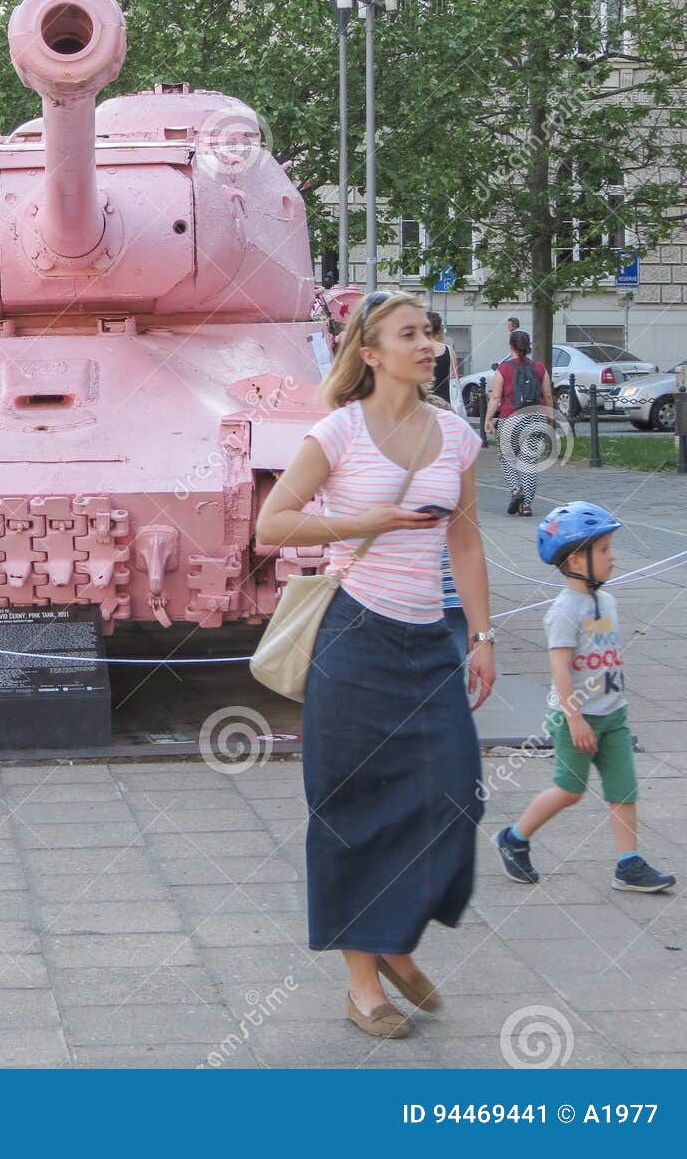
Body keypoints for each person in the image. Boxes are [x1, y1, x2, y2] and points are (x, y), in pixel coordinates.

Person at [256, 290, 495, 1040]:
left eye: (430, 332)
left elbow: (465, 540)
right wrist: (370, 521)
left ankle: (397, 938)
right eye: (409, 334)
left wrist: (482, 637)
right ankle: (364, 980)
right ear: (370, 354)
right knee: (354, 807)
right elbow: (272, 525)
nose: (427, 344)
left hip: (430, 641)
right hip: (354, 638)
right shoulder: (338, 432)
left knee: (456, 795)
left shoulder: (455, 436)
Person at [496, 503, 675, 894]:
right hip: (575, 718)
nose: (613, 557)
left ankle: (628, 863)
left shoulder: (606, 602)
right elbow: (560, 669)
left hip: (613, 715)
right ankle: (514, 837)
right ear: (577, 559)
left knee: (623, 789)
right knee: (569, 790)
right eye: (605, 550)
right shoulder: (564, 610)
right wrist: (575, 718)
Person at [483, 329, 553, 518]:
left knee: (507, 458)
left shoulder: (503, 369)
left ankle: (516, 490)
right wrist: (549, 417)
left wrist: (488, 419)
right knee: (530, 462)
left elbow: (496, 397)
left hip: (511, 419)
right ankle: (527, 506)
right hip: (535, 417)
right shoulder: (539, 368)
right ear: (529, 346)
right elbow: (547, 395)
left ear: (511, 346)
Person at [427, 309, 458, 406]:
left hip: (421, 401)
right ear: (438, 329)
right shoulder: (448, 349)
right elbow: (454, 377)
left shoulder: (415, 349)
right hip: (443, 401)